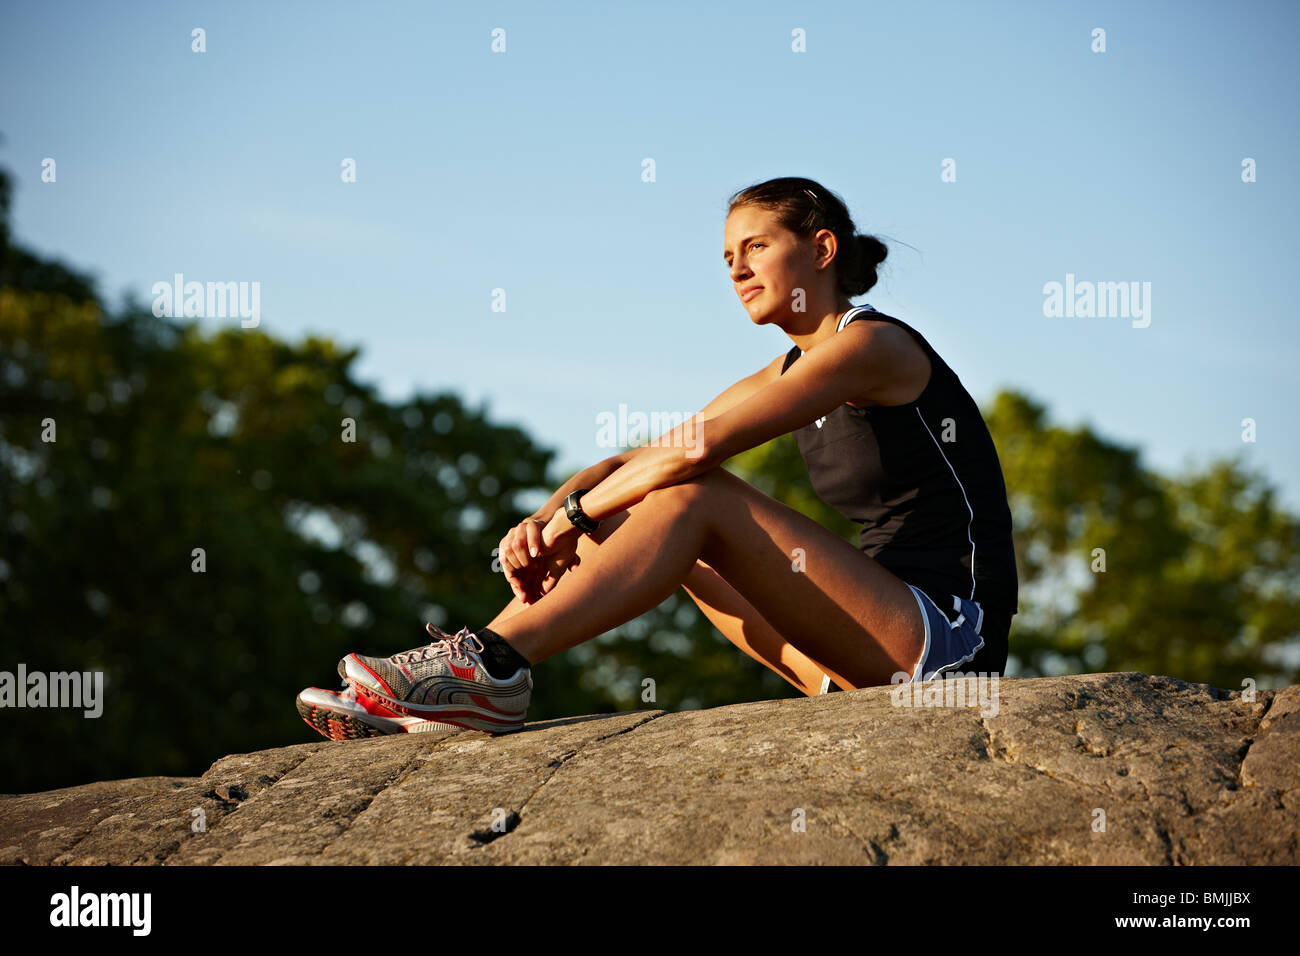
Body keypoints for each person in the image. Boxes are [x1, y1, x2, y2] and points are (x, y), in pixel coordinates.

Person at [296, 176, 1019, 741]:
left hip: (949, 642)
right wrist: (548, 517)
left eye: (756, 248)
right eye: (728, 258)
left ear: (823, 250)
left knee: (694, 498)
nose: (737, 270)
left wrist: (576, 517)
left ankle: (489, 666)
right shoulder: (790, 369)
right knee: (647, 501)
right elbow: (646, 457)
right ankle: (457, 685)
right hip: (853, 652)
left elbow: (697, 456)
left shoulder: (873, 347)